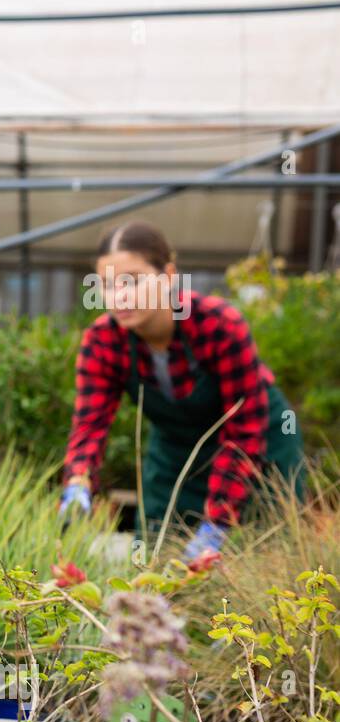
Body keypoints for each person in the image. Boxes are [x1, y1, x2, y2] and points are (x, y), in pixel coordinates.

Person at [58, 220, 304, 561]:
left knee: (263, 549)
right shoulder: (103, 341)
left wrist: (216, 525)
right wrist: (78, 483)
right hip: (175, 448)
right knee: (154, 552)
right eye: (108, 285)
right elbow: (90, 425)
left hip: (259, 442)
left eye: (133, 281)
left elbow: (244, 434)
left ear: (169, 276)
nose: (120, 296)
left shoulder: (218, 325)